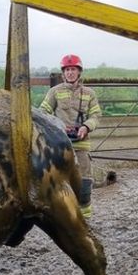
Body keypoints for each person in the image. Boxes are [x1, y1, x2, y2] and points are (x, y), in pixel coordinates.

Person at [39, 54, 101, 217]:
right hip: (59, 144)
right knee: (56, 179)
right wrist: (59, 126)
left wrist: (86, 127)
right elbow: (43, 113)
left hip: (81, 144)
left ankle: (85, 216)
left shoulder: (89, 93)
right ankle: (61, 215)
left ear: (79, 72)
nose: (70, 73)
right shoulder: (54, 92)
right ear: (63, 73)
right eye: (67, 70)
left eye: (73, 69)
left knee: (85, 180)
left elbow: (96, 115)